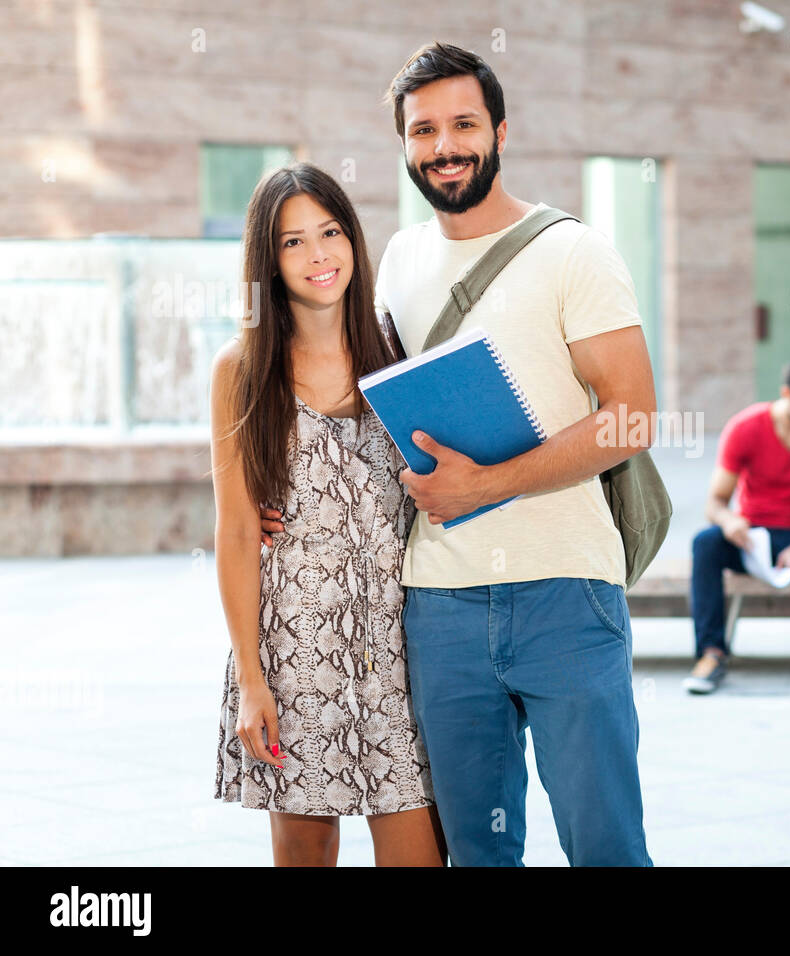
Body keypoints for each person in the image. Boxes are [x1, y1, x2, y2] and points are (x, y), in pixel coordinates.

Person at [264, 42, 657, 866]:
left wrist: (491, 482)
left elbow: (633, 421)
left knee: (606, 845)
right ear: (405, 146)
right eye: (423, 130)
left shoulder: (573, 252)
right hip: (439, 604)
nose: (445, 146)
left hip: (565, 591)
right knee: (478, 852)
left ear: (501, 131)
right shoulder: (400, 260)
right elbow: (346, 394)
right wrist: (279, 499)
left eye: (463, 124)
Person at [211, 162, 446, 866]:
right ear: (268, 261)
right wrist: (253, 680)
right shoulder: (241, 369)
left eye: (331, 232)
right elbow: (236, 530)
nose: (319, 255)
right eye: (292, 242)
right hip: (296, 650)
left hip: (404, 645)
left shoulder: (397, 348)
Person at [684, 357, 790, 696]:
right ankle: (711, 654)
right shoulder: (745, 427)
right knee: (705, 544)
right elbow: (715, 502)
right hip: (751, 539)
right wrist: (730, 521)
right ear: (786, 393)